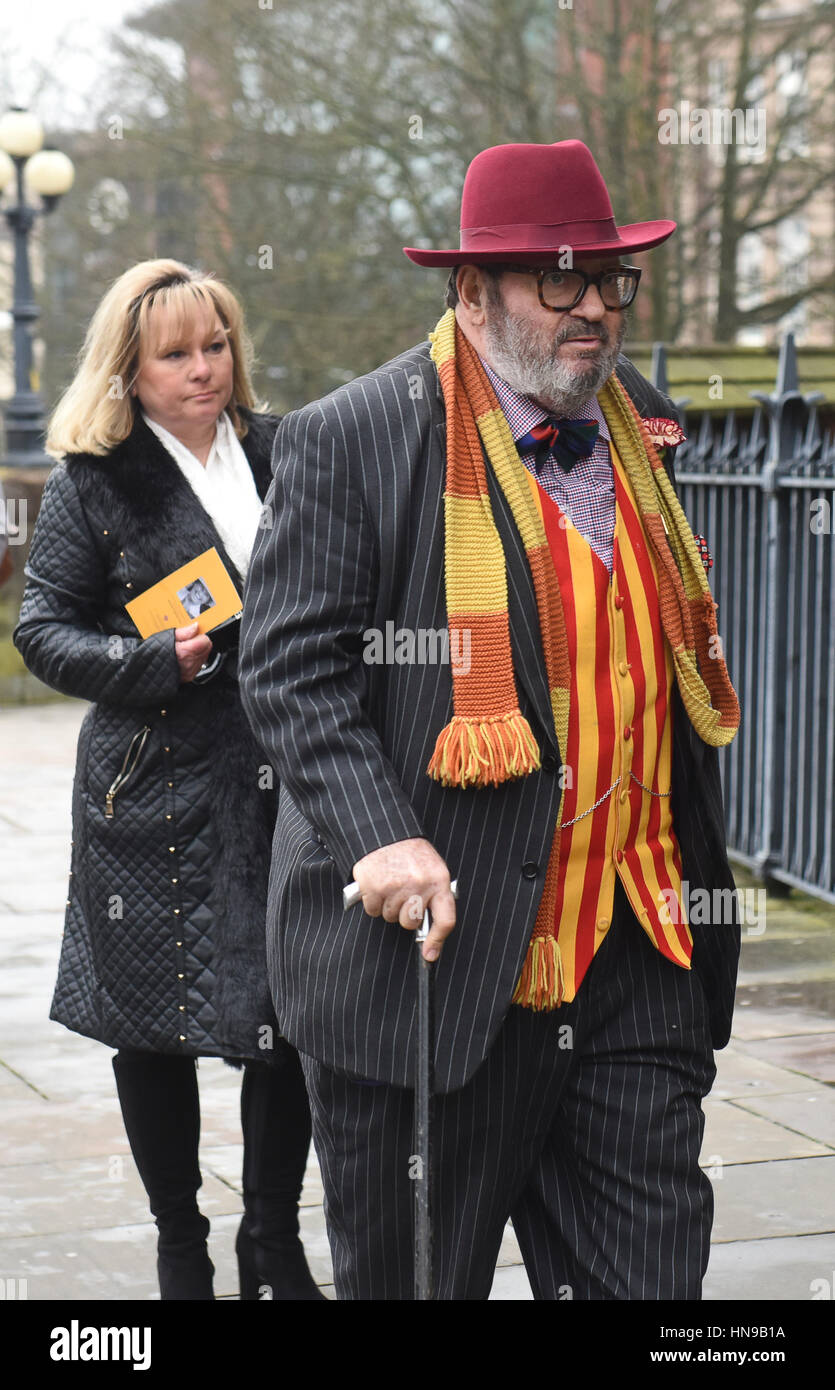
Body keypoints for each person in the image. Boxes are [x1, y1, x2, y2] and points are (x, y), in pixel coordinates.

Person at [238, 140, 741, 1301]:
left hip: (632, 955)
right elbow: (289, 670)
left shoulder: (644, 425)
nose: (595, 310)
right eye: (557, 280)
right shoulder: (354, 436)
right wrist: (379, 832)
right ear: (471, 294)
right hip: (430, 979)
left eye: (611, 280)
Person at [14, 259, 324, 1301]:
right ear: (129, 371)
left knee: (288, 1016)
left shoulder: (288, 452)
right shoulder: (96, 482)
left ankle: (271, 1243)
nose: (203, 369)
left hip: (288, 785)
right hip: (149, 793)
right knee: (153, 1026)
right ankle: (179, 1244)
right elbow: (42, 633)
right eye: (176, 353)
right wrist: (153, 660)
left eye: (216, 344)